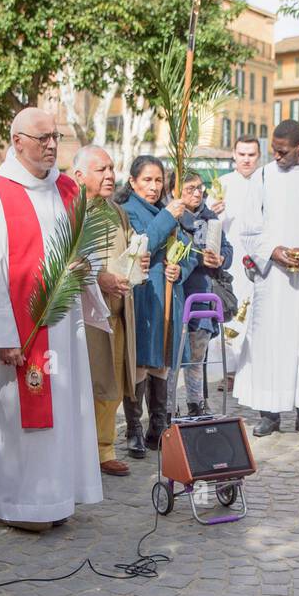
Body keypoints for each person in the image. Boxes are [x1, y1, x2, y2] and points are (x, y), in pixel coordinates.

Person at [0, 107, 109, 531]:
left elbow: (83, 248)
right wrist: (3, 335)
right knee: (19, 418)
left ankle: (58, 497)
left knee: (65, 411)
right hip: (21, 335)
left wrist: (88, 272)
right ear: (17, 141)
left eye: (55, 137)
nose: (51, 146)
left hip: (62, 328)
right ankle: (21, 504)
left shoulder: (67, 190)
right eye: (41, 138)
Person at [232, 119, 299, 438]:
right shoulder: (263, 177)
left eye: (283, 152)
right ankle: (270, 413)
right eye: (274, 151)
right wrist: (274, 251)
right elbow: (249, 227)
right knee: (271, 345)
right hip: (273, 278)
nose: (276, 157)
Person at [118, 155, 194, 450]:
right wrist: (167, 217)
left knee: (161, 363)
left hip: (168, 294)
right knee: (139, 362)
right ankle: (134, 427)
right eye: (147, 180)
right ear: (133, 182)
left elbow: (188, 250)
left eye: (158, 180)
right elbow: (140, 245)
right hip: (144, 295)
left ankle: (158, 426)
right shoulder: (127, 212)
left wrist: (180, 268)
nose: (153, 186)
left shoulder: (168, 210)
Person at [72, 145, 140, 475]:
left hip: (119, 309)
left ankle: (105, 448)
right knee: (88, 382)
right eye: (102, 169)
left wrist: (140, 260)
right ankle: (81, 449)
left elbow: (129, 247)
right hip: (85, 314)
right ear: (80, 175)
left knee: (111, 384)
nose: (111, 175)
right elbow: (68, 258)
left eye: (112, 168)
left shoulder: (116, 211)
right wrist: (100, 278)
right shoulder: (72, 211)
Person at [174, 170, 232, 417]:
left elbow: (227, 249)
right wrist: (199, 258)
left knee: (197, 357)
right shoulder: (173, 217)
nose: (197, 193)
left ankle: (196, 403)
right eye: (190, 188)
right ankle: (165, 407)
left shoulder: (210, 218)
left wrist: (220, 258)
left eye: (200, 188)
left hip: (203, 297)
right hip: (178, 296)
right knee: (173, 358)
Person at [212, 137, 264, 387]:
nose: (246, 159)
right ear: (234, 155)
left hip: (260, 261)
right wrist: (214, 212)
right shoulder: (221, 184)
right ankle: (230, 371)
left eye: (251, 154)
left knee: (259, 314)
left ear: (259, 155)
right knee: (233, 315)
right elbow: (210, 225)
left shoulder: (267, 182)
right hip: (231, 263)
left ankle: (256, 369)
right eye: (242, 154)